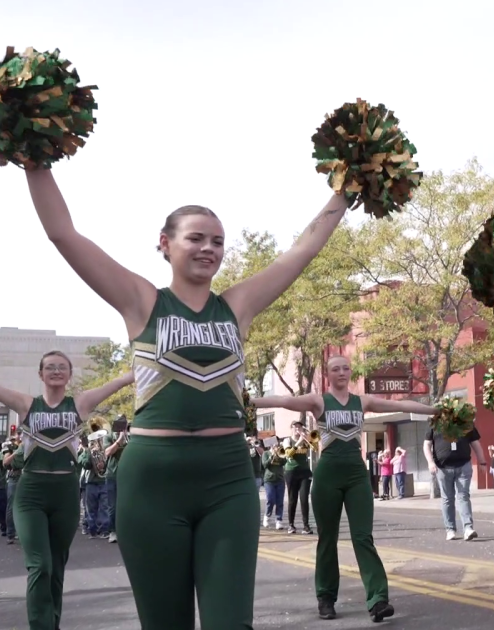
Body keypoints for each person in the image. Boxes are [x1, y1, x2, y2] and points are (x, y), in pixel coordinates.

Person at [25, 165, 350, 629]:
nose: (209, 249)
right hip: (152, 480)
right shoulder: (141, 301)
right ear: (165, 243)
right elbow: (63, 234)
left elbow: (303, 249)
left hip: (228, 479)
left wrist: (347, 189)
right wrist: (35, 160)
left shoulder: (238, 305)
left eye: (218, 241)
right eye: (196, 238)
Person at [0, 358, 132, 630]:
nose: (56, 371)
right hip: (31, 493)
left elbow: (123, 380)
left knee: (56, 567)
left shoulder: (79, 404)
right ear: (40, 373)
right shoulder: (26, 404)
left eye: (62, 367)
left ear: (69, 374)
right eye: (50, 367)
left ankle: (51, 624)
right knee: (39, 565)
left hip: (66, 493)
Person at [252, 355, 436, 622]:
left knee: (363, 536)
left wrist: (435, 410)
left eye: (345, 368)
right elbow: (282, 401)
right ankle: (325, 597)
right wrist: (248, 402)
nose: (341, 372)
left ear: (350, 372)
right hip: (327, 474)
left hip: (356, 475)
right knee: (327, 538)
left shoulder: (362, 401)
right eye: (335, 369)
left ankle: (378, 600)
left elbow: (400, 403)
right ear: (328, 374)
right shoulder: (318, 401)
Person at [424, 413, 490, 544]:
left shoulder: (466, 424)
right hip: (442, 467)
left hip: (463, 465)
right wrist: (430, 462)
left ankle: (468, 528)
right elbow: (426, 445)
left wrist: (482, 462)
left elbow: (475, 443)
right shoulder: (435, 424)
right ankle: (450, 529)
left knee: (463, 496)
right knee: (447, 499)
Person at [284, 420, 314, 535]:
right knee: (292, 499)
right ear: (291, 428)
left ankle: (306, 526)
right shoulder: (288, 440)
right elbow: (288, 454)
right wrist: (298, 443)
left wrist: (309, 435)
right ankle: (291, 525)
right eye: (295, 427)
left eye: (299, 427)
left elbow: (316, 446)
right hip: (291, 471)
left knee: (304, 498)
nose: (297, 429)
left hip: (304, 472)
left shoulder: (306, 440)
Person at [262, 441, 287, 530]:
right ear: (271, 445)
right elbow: (265, 465)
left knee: (280, 501)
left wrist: (279, 454)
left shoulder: (280, 452)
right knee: (270, 499)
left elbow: (284, 461)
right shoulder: (265, 453)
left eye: (277, 444)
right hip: (269, 480)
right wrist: (272, 455)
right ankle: (266, 517)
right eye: (274, 445)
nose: (276, 446)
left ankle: (279, 520)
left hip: (280, 479)